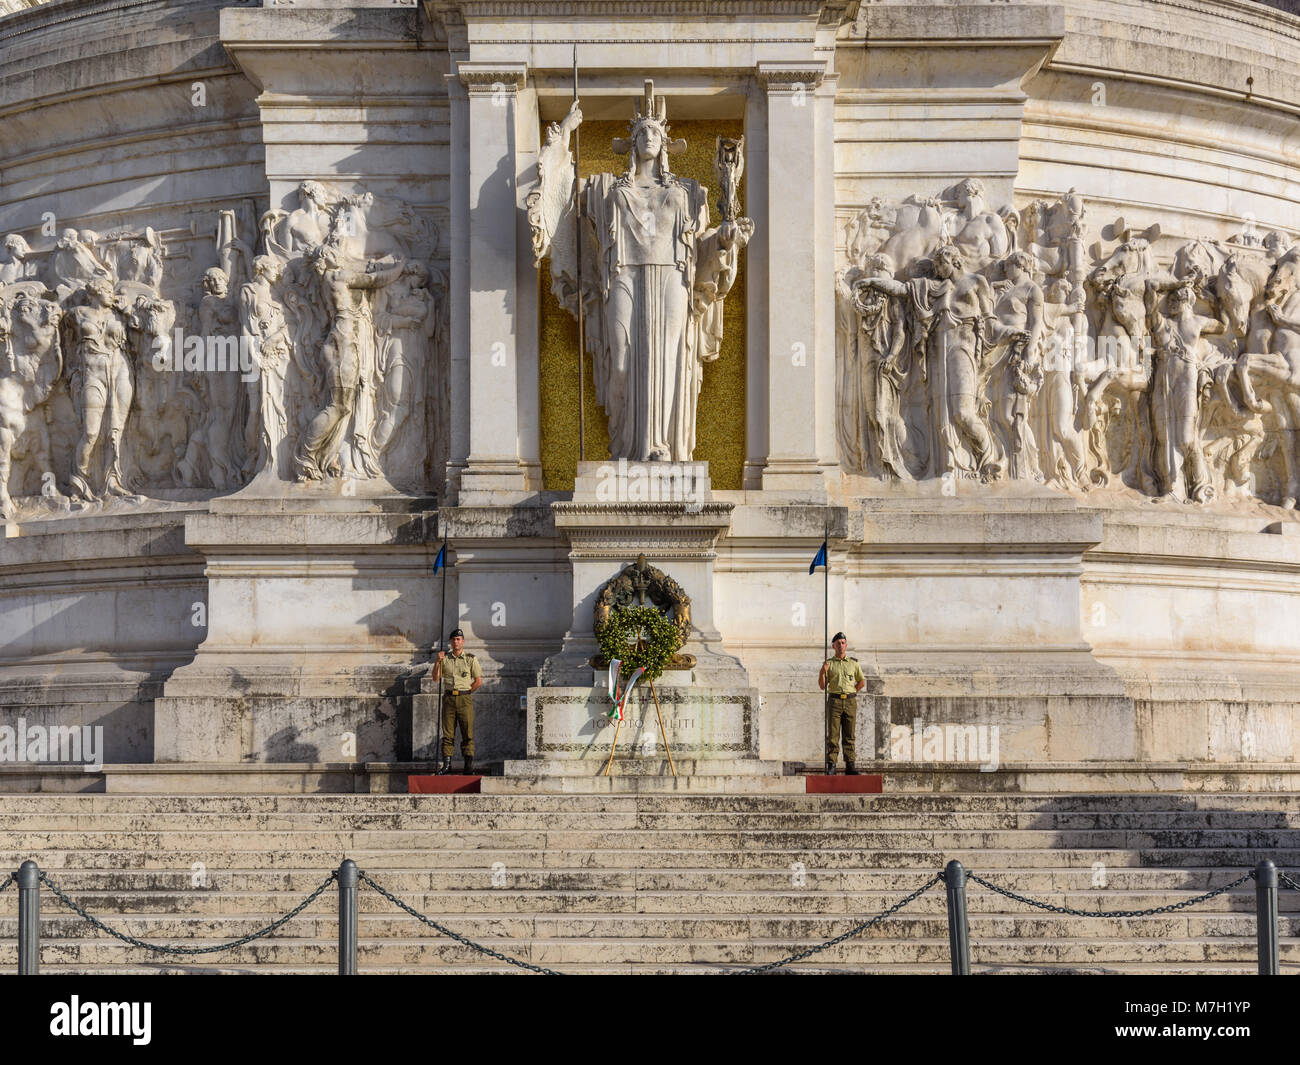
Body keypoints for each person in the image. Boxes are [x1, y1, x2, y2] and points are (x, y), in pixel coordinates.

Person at [432, 628, 482, 774]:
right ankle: (447, 765)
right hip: (448, 699)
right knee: (448, 734)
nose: (456, 642)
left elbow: (478, 681)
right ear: (450, 642)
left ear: (463, 642)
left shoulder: (470, 659)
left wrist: (465, 692)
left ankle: (468, 766)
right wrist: (437, 662)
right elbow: (436, 678)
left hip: (464, 698)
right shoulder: (445, 659)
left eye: (459, 639)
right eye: (454, 639)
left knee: (468, 733)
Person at [818, 632, 866, 775]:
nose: (841, 645)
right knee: (833, 735)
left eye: (843, 642)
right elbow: (822, 686)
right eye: (838, 643)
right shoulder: (829, 664)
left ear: (846, 645)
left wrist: (853, 692)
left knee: (849, 734)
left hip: (850, 701)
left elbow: (861, 681)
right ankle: (831, 765)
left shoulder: (853, 663)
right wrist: (822, 671)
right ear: (833, 646)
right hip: (835, 701)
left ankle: (850, 765)